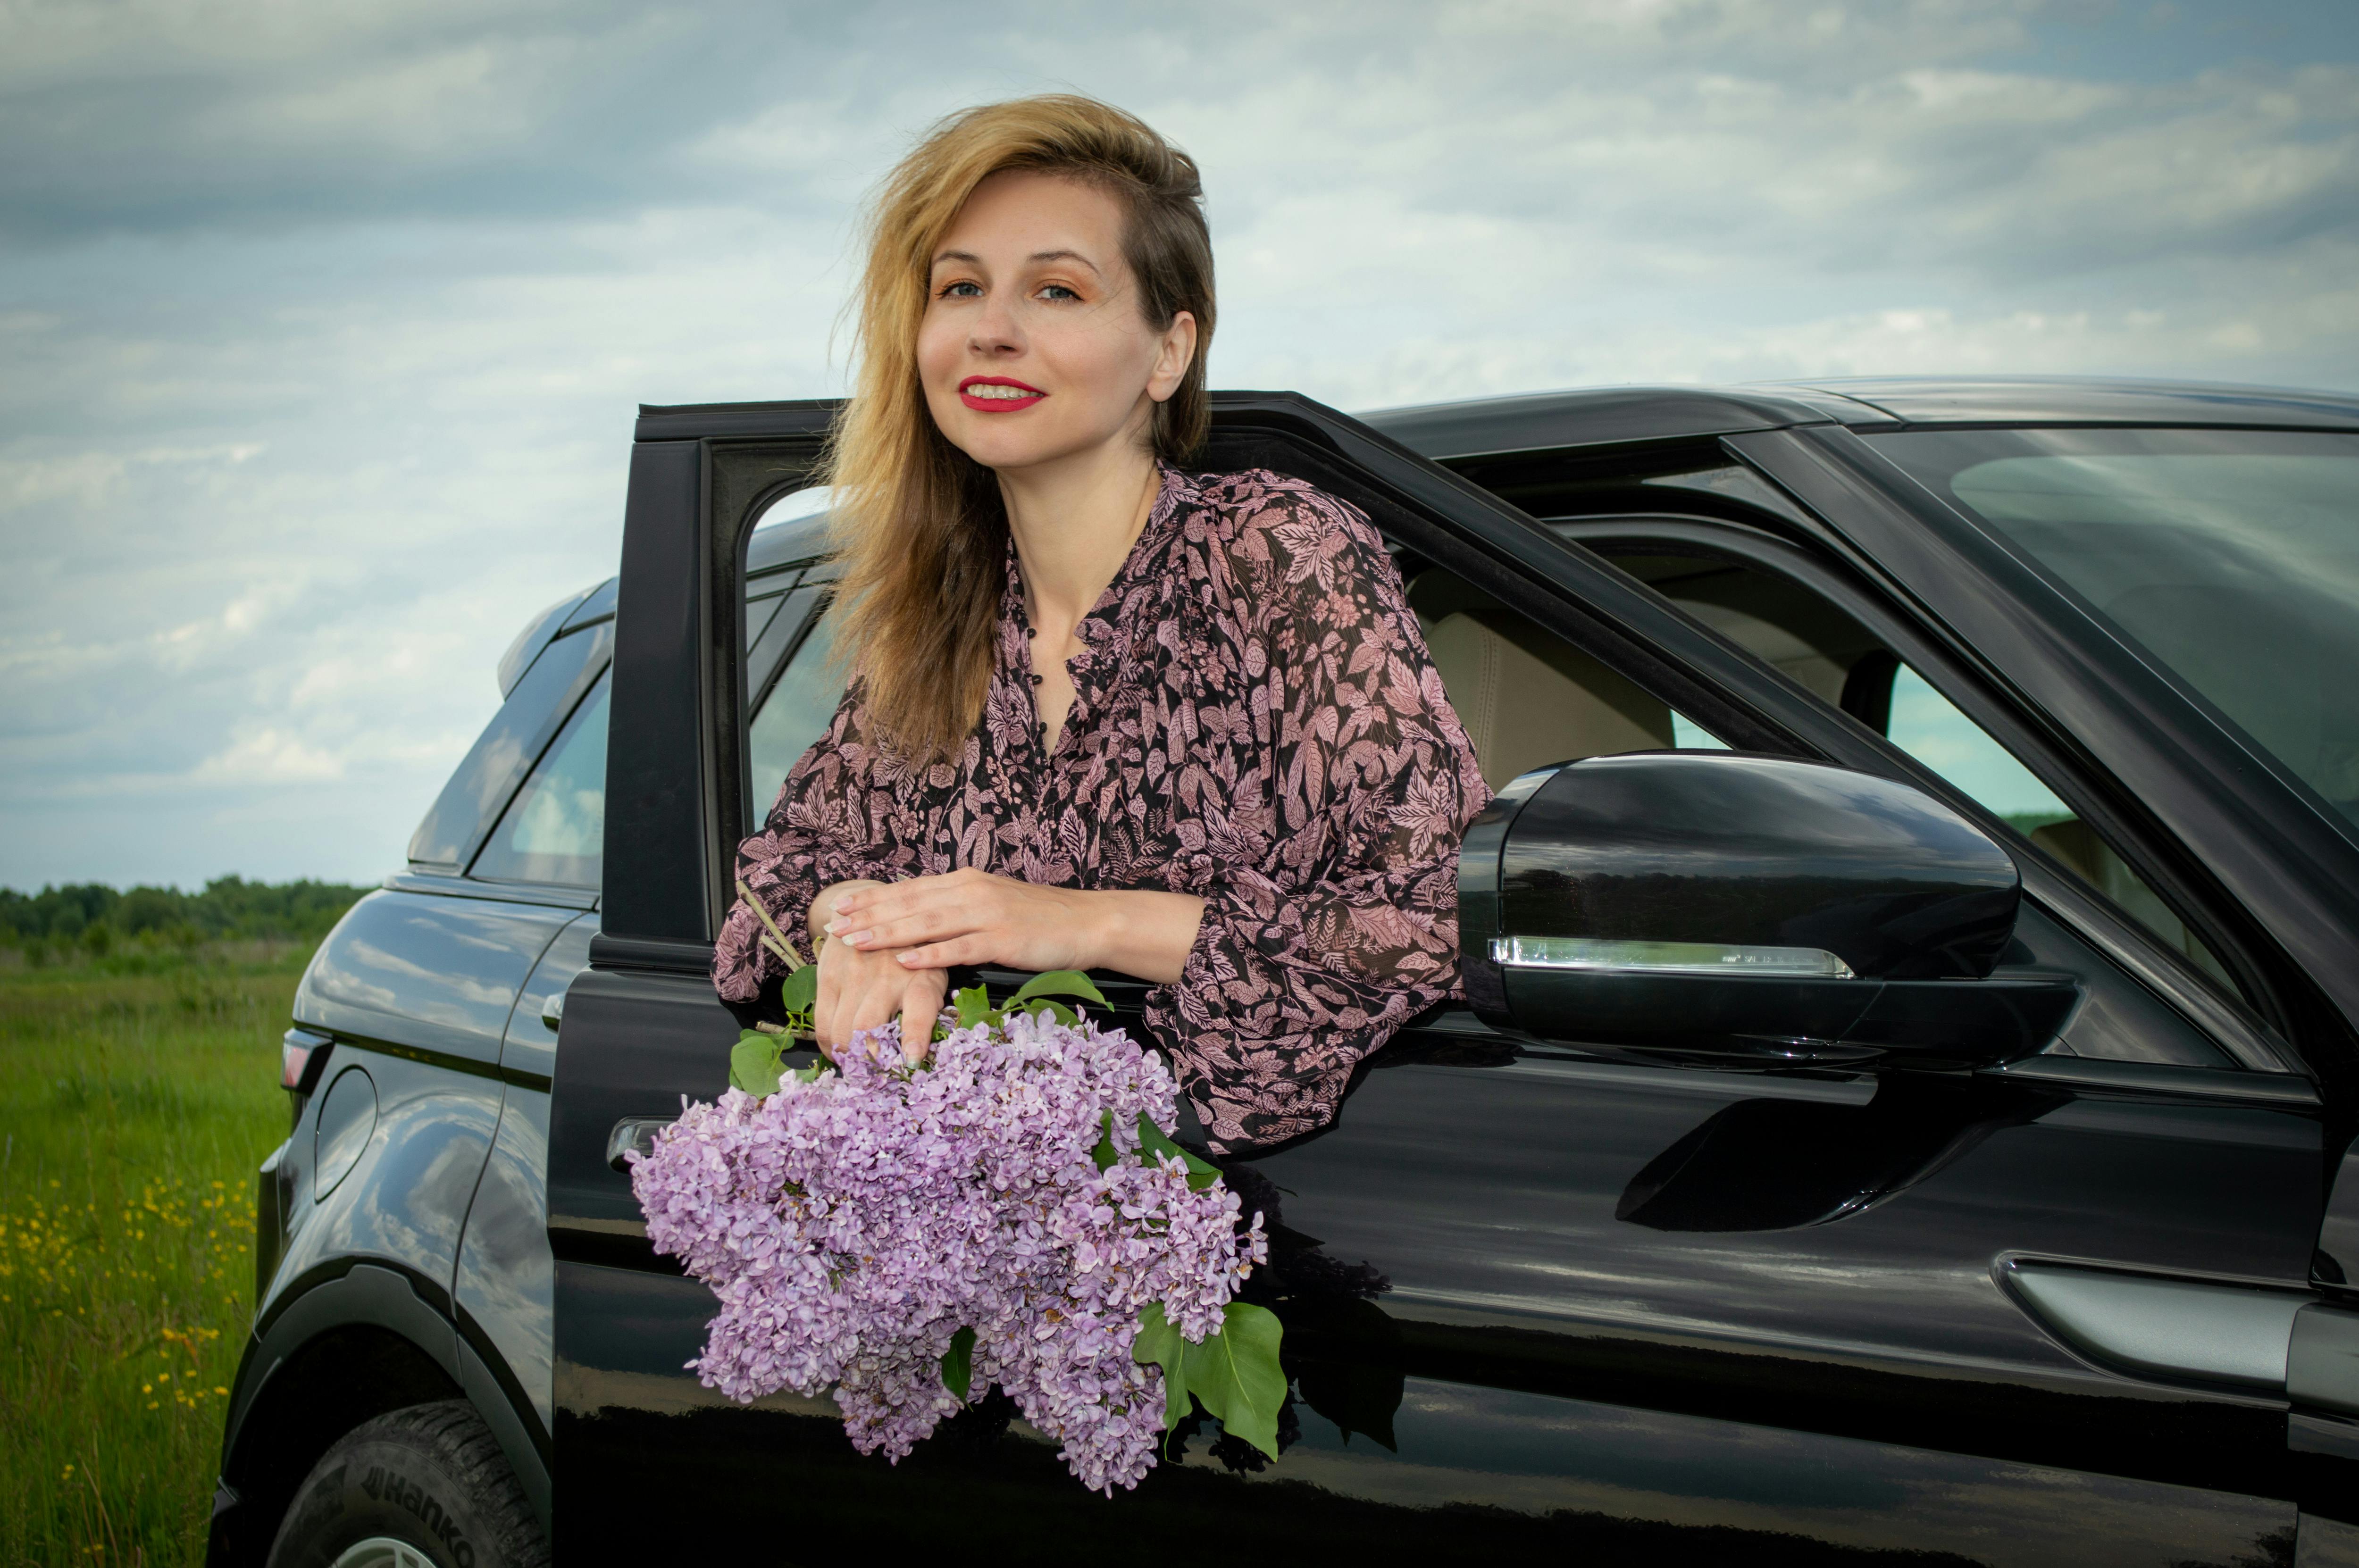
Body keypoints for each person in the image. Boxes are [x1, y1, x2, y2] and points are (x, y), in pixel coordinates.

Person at [713, 94, 1489, 1151]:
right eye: (960, 287)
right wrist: (861, 924)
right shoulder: (938, 610)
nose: (992, 327)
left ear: (1168, 351)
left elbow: (1438, 920)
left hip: (1293, 1240)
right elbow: (782, 874)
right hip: (988, 1254)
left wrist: (1083, 922)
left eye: (1056, 289)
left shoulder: (1274, 553)